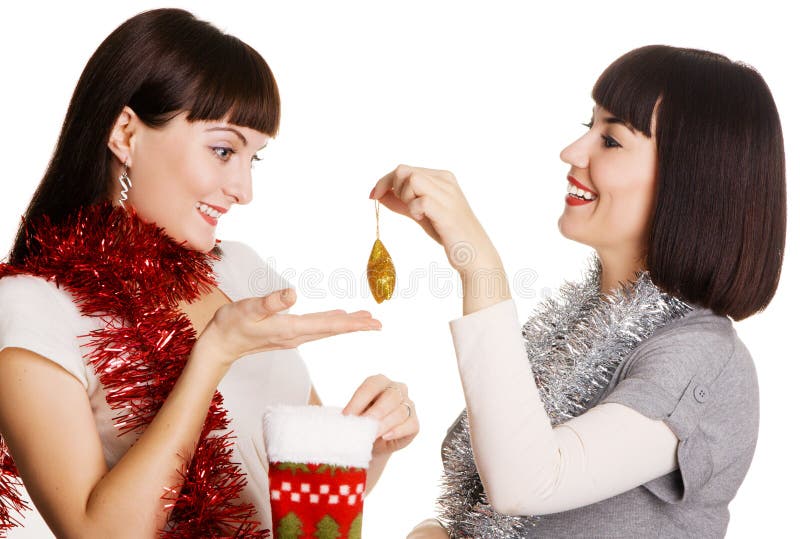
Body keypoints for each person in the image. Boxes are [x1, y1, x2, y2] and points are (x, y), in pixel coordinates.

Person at [0, 8, 419, 537]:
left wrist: (366, 448)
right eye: (223, 150)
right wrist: (213, 354)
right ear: (126, 133)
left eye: (253, 159)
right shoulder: (33, 306)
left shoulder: (242, 271)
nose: (244, 190)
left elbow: (286, 506)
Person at [372, 46, 786, 538]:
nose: (572, 152)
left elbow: (527, 481)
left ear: (691, 179)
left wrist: (479, 263)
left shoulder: (701, 357)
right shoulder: (577, 328)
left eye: (610, 139)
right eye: (587, 125)